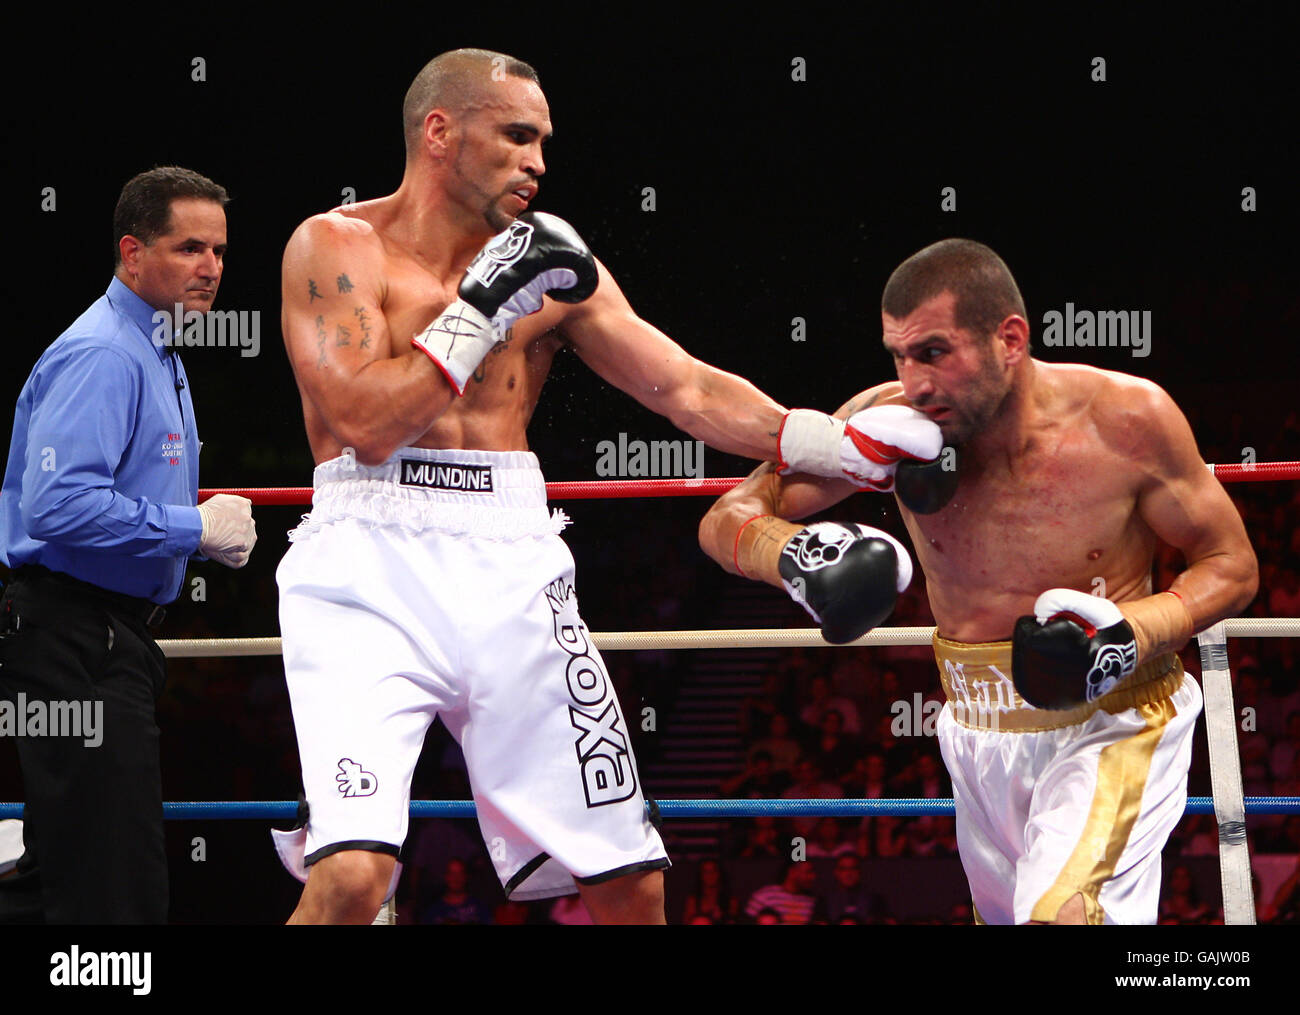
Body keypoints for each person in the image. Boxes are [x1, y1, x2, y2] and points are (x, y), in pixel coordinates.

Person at [273, 48, 916, 925]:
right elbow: (364, 423)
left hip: (511, 555)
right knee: (351, 879)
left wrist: (831, 443)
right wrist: (482, 305)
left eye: (543, 141)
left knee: (628, 881)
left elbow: (682, 386)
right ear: (439, 132)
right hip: (365, 563)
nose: (538, 161)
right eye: (516, 136)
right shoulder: (335, 245)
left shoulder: (550, 262)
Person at [699, 238, 1258, 924]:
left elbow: (1233, 566)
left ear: (1010, 339)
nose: (915, 380)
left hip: (1113, 721)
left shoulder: (1125, 420)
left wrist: (1132, 633)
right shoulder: (887, 424)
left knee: (1062, 914)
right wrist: (793, 555)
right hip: (973, 727)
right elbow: (728, 517)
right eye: (899, 355)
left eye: (934, 352)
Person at [0, 166, 257, 923]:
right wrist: (193, 528)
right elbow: (58, 504)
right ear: (132, 253)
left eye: (217, 250)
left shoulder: (157, 346)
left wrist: (196, 527)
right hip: (74, 640)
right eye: (188, 248)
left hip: (99, 640)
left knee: (71, 876)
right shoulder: (106, 353)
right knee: (116, 889)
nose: (209, 267)